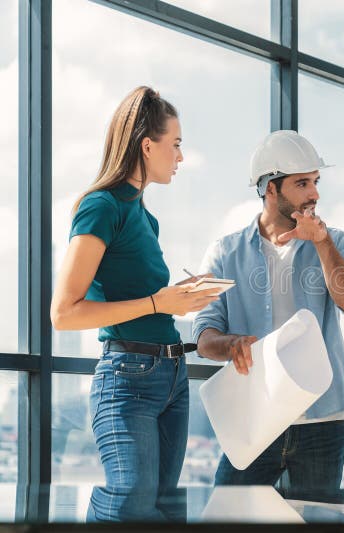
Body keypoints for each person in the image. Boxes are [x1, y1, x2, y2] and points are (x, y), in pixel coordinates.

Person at [50, 86, 221, 519]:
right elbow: (63, 313)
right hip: (127, 380)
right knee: (128, 504)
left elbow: (146, 298)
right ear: (148, 145)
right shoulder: (101, 206)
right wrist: (158, 302)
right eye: (176, 144)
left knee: (164, 511)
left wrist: (179, 296)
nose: (181, 156)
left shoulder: (147, 217)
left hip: (172, 377)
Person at [192, 130, 344, 489]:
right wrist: (230, 344)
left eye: (316, 182)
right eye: (302, 183)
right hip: (255, 419)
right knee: (229, 514)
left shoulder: (337, 243)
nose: (314, 194)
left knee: (318, 519)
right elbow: (203, 336)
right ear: (270, 189)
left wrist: (322, 244)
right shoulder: (224, 253)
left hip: (323, 422)